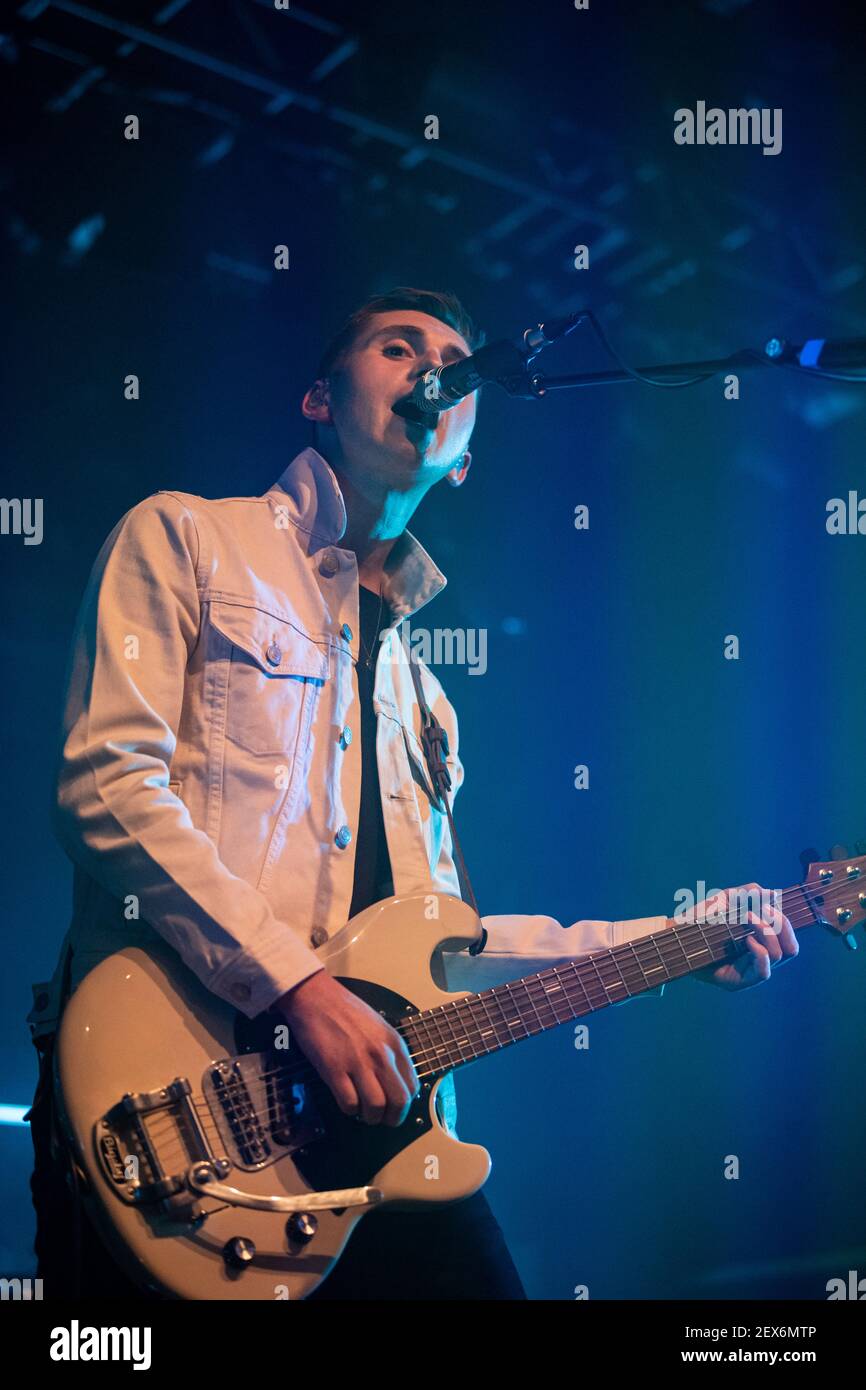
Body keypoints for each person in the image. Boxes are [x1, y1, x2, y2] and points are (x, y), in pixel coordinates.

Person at [27, 287, 798, 1300]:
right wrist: (297, 989)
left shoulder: (424, 699)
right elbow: (105, 788)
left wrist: (682, 937)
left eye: (447, 356)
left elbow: (452, 952)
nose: (430, 366)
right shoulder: (184, 539)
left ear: (464, 453)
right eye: (396, 348)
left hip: (382, 1147)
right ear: (317, 398)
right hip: (174, 1115)